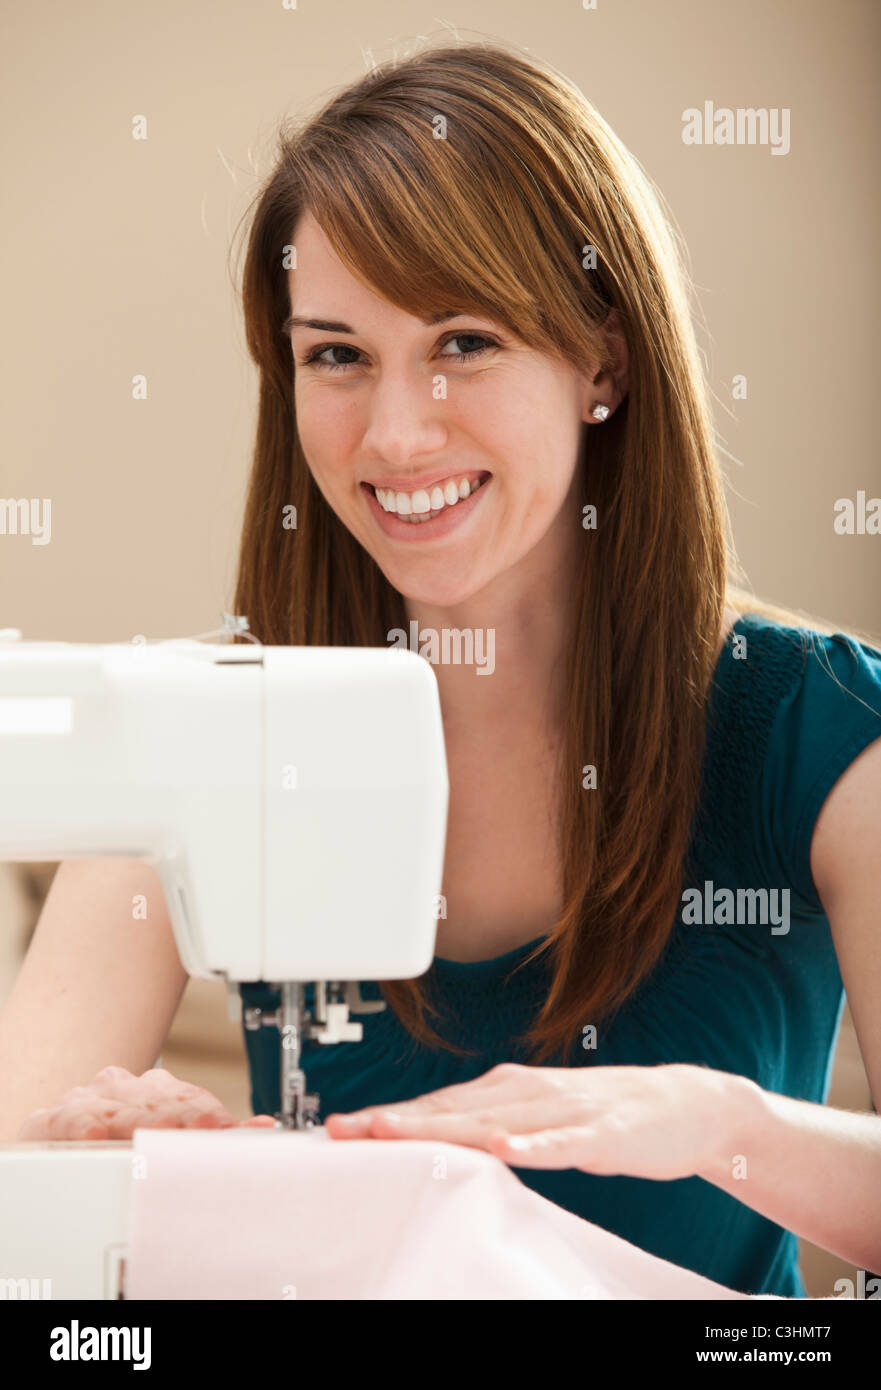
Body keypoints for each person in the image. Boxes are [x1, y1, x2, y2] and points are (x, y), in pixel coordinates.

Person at [1, 40, 879, 1298]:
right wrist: (108, 1171)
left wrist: (725, 1124)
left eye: (462, 341)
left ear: (602, 363)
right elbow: (16, 1216)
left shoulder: (823, 731)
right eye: (335, 355)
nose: (397, 432)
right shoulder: (197, 737)